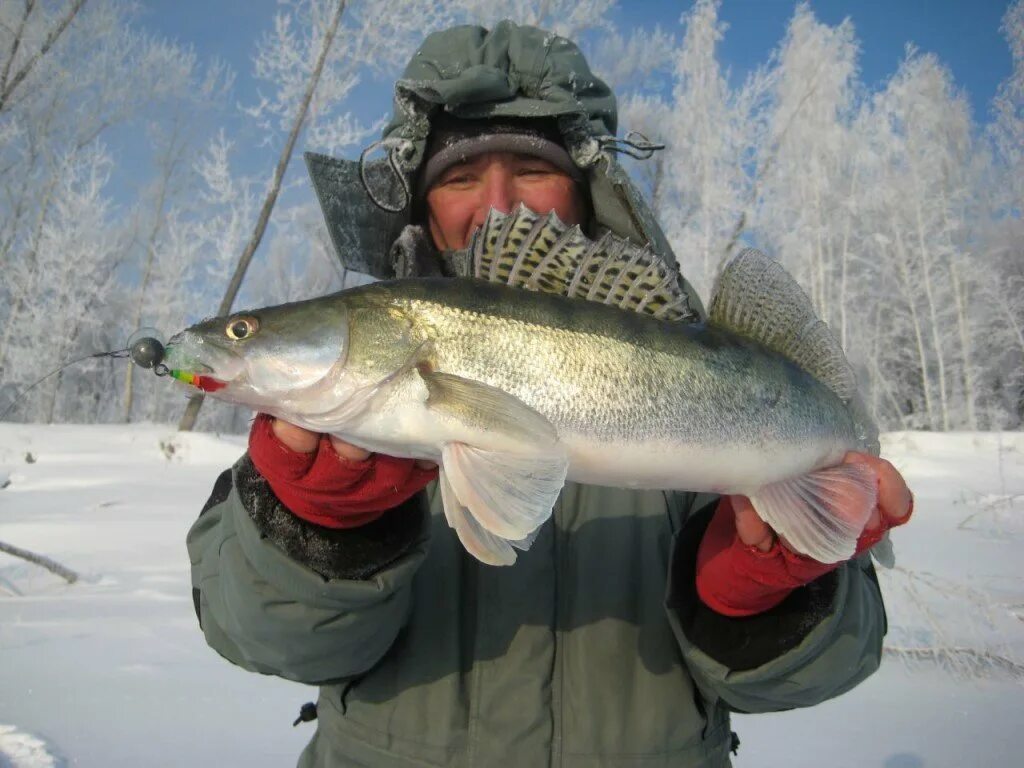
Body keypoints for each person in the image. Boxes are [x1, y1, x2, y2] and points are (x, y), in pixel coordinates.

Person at [187, 21, 913, 767]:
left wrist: (759, 600)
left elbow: (829, 667)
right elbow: (257, 637)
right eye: (460, 178)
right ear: (420, 204)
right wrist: (314, 531)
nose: (499, 205)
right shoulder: (312, 434)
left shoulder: (698, 342)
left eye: (532, 169)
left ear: (587, 188)